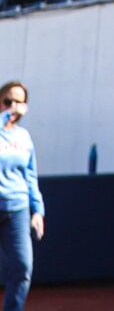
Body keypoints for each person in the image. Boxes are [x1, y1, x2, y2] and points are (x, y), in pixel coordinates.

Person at [0, 82, 39, 311]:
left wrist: (38, 210)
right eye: (8, 101)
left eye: (19, 102)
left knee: (23, 267)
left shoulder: (24, 137)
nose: (13, 108)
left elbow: (31, 175)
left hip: (17, 209)